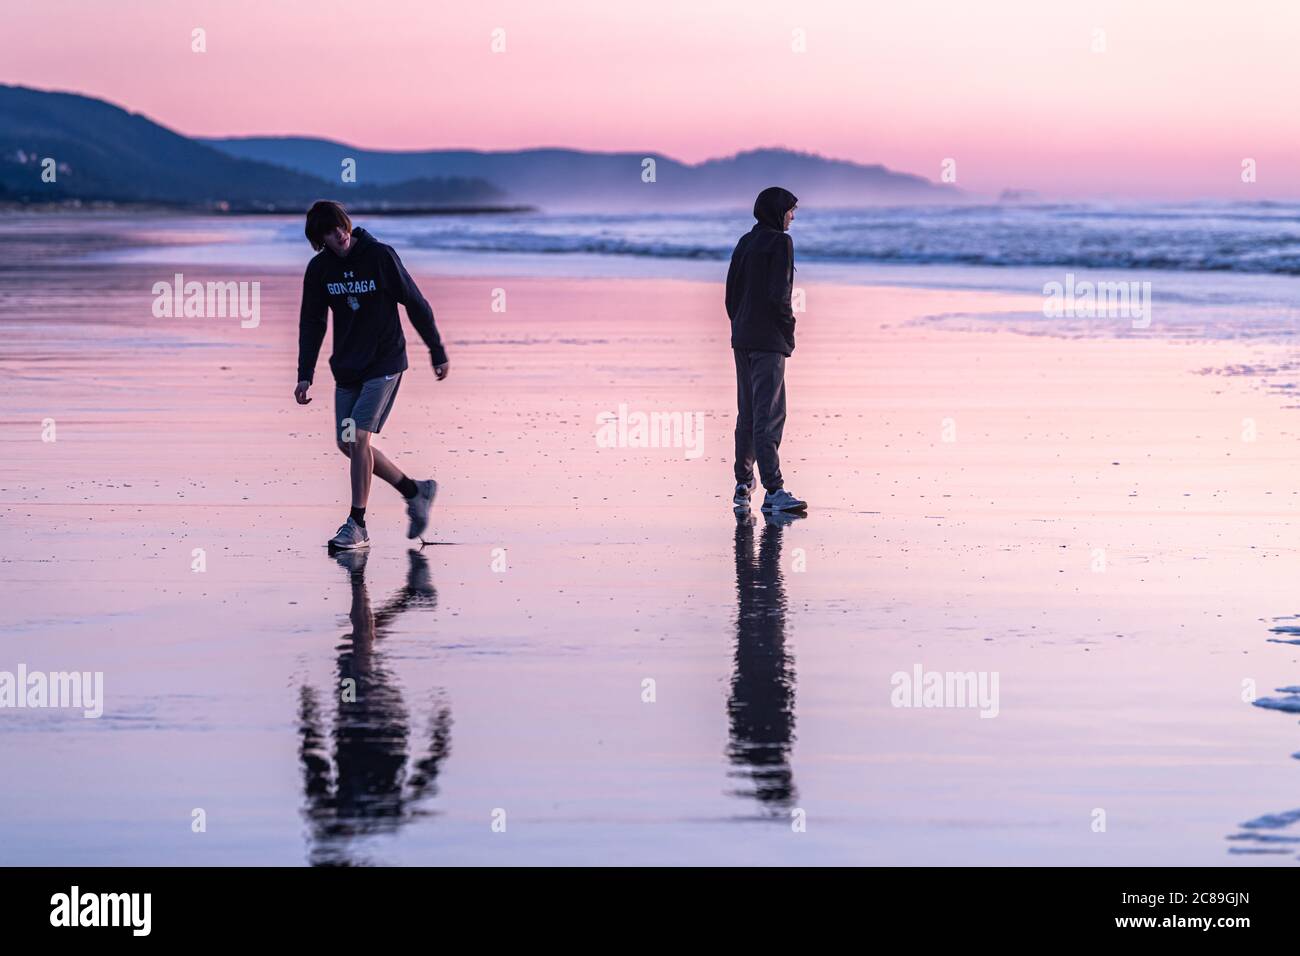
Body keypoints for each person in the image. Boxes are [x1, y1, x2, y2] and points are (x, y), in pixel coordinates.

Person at [295, 201, 449, 550]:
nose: (339, 234)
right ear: (320, 240)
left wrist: (436, 349)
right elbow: (312, 321)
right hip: (349, 368)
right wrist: (305, 373)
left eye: (341, 226)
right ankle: (415, 491)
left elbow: (415, 302)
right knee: (347, 442)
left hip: (384, 363)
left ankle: (357, 524)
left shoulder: (380, 256)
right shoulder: (320, 270)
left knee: (359, 438)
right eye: (330, 233)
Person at [725, 187, 807, 513]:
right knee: (768, 415)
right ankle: (774, 490)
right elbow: (780, 296)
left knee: (747, 413)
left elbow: (731, 294)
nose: (793, 217)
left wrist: (740, 325)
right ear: (777, 211)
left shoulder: (745, 242)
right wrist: (787, 330)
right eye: (790, 210)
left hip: (742, 337)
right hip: (767, 341)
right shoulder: (781, 243)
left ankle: (743, 485)